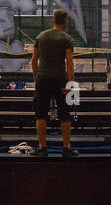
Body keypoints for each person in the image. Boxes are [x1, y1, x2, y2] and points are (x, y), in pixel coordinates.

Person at [31, 9, 78, 159]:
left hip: (42, 78)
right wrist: (71, 83)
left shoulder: (41, 36)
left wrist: (36, 77)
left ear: (53, 20)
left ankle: (42, 147)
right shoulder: (67, 38)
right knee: (65, 114)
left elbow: (33, 60)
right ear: (65, 22)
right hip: (60, 79)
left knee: (41, 113)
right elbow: (70, 63)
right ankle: (65, 148)